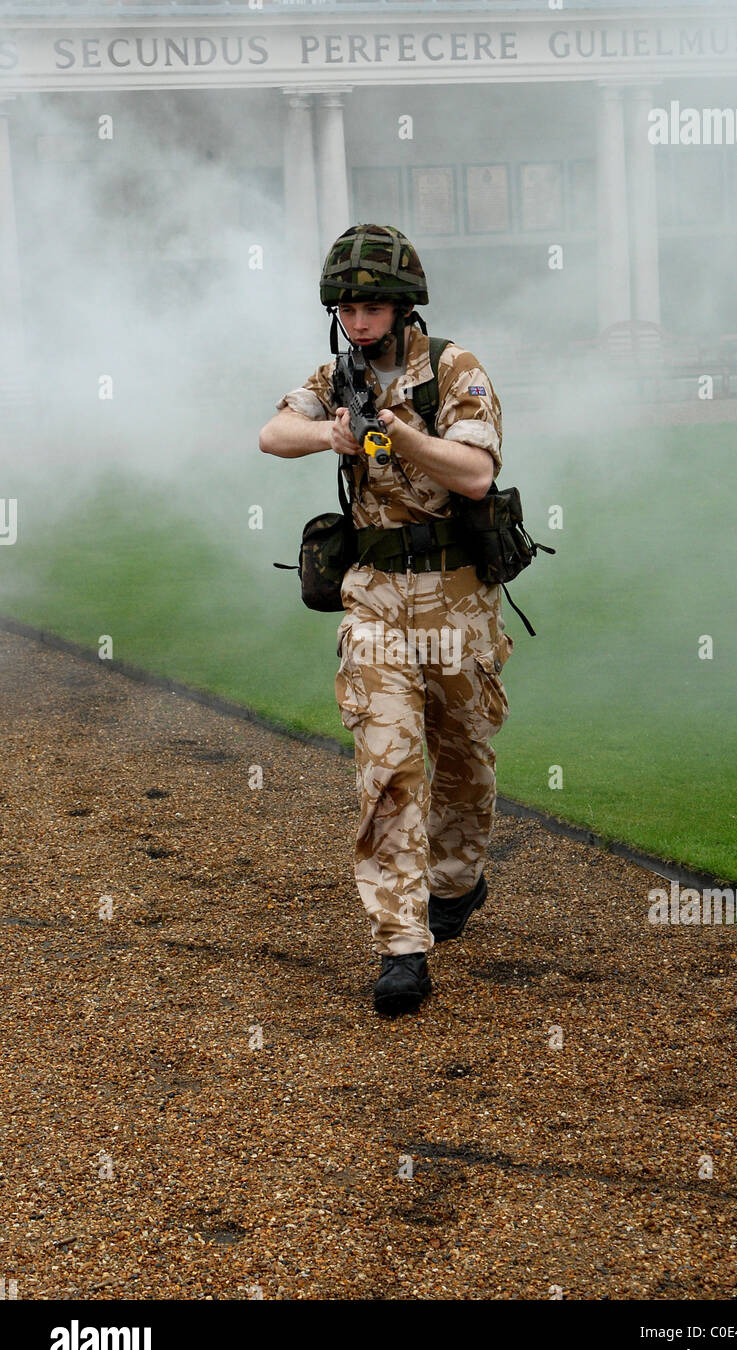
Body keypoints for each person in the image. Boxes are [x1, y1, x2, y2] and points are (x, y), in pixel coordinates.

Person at [259, 224, 512, 1015]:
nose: (357, 323)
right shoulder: (336, 375)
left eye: (370, 308)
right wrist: (330, 431)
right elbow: (273, 433)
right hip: (373, 596)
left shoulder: (452, 368)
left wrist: (400, 432)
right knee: (389, 763)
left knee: (463, 759)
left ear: (403, 308)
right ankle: (401, 945)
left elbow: (475, 472)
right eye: (346, 309)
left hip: (457, 596)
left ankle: (456, 881)